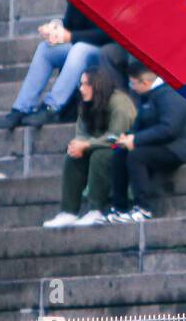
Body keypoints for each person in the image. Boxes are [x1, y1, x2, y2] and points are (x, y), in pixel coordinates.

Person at [107, 60, 186, 223]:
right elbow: (139, 125)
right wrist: (127, 138)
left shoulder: (171, 94)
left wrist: (136, 140)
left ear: (145, 82)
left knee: (137, 156)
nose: (132, 88)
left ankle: (143, 208)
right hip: (161, 144)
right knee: (120, 153)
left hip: (181, 147)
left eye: (133, 83)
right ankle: (120, 208)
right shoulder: (146, 96)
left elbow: (170, 129)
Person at [42, 69, 136, 229]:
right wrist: (78, 145)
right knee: (73, 157)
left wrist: (87, 145)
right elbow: (81, 133)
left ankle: (96, 209)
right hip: (97, 144)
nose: (81, 88)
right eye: (81, 84)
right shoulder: (86, 103)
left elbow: (116, 136)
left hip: (124, 146)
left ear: (98, 86)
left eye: (86, 84)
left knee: (100, 156)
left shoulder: (119, 103)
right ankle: (68, 211)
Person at [0, 1, 113, 130]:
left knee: (79, 49)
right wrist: (55, 28)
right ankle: (21, 108)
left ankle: (51, 107)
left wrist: (70, 36)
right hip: (81, 44)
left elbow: (110, 33)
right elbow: (71, 24)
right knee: (45, 49)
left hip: (106, 49)